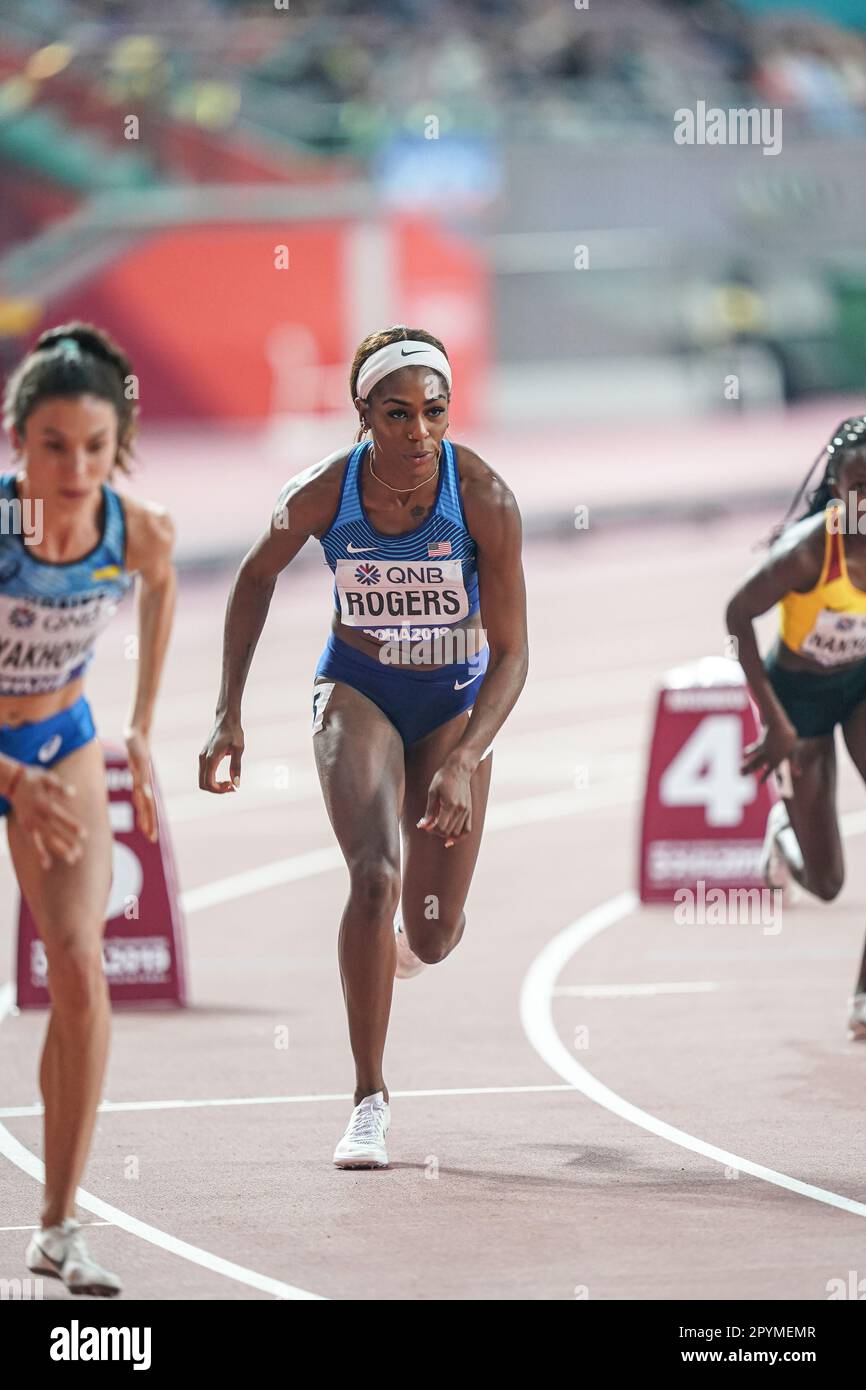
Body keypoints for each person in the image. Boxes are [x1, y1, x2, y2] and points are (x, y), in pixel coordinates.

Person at [199, 325, 529, 1167]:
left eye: (435, 412)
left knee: (435, 931)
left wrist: (462, 760)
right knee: (375, 873)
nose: (419, 433)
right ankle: (368, 1098)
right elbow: (252, 576)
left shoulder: (483, 496)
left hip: (453, 701)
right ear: (363, 415)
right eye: (398, 414)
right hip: (361, 688)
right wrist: (227, 712)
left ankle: (412, 947)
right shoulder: (323, 492)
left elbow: (515, 651)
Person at [1, 322, 176, 1293]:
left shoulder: (134, 528)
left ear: (118, 449)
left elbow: (160, 587)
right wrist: (11, 783)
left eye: (95, 448)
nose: (73, 468)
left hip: (56, 738)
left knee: (79, 967)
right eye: (53, 445)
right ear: (18, 439)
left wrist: (143, 725)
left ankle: (60, 1225)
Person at [725, 416, 866, 1039]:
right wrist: (774, 721)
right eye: (859, 485)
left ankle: (863, 997)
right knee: (830, 883)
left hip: (860, 685)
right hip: (799, 699)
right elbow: (737, 612)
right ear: (837, 489)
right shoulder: (812, 550)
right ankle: (784, 836)